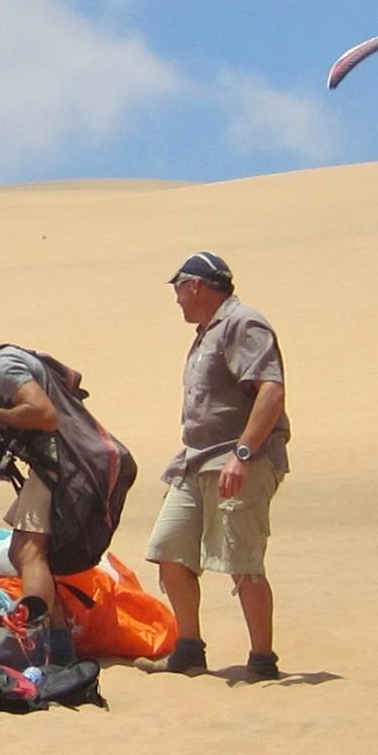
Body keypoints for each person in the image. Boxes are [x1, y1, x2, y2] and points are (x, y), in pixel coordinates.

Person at [0, 310, 136, 653]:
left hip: (69, 461)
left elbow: (46, 415)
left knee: (27, 549)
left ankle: (42, 644)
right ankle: (58, 643)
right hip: (57, 463)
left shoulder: (1, 368)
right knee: (32, 552)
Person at [137, 252, 290, 680]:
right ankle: (189, 648)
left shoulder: (244, 323)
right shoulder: (207, 331)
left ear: (196, 286)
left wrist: (243, 454)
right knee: (169, 550)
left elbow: (271, 390)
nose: (177, 300)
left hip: (239, 460)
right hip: (194, 460)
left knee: (243, 562)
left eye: (178, 289)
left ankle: (263, 659)